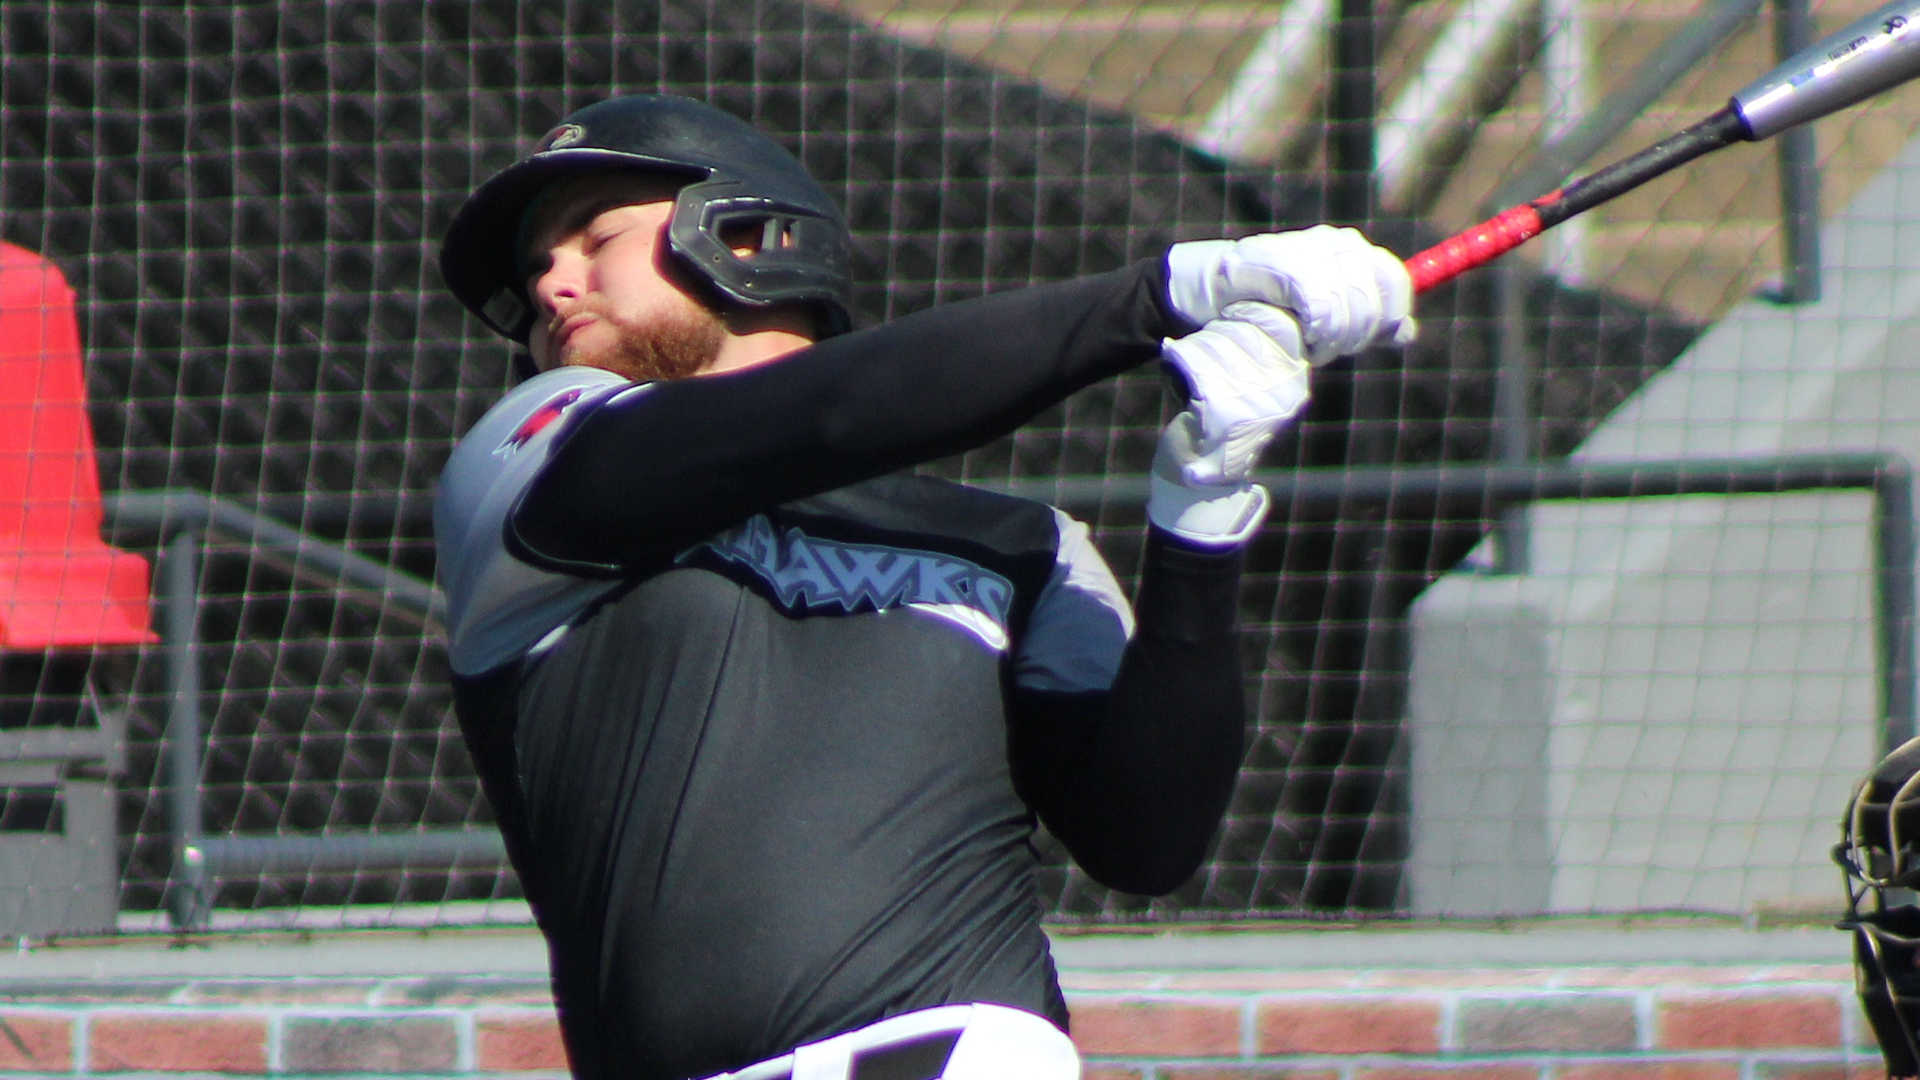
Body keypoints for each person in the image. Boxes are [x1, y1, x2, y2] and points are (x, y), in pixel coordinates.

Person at [434, 94, 1414, 1080]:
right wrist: (1159, 294)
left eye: (596, 233)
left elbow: (1147, 838)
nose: (552, 280)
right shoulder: (525, 476)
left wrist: (1202, 509)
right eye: (533, 269)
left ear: (745, 236)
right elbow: (829, 419)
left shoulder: (1021, 547)